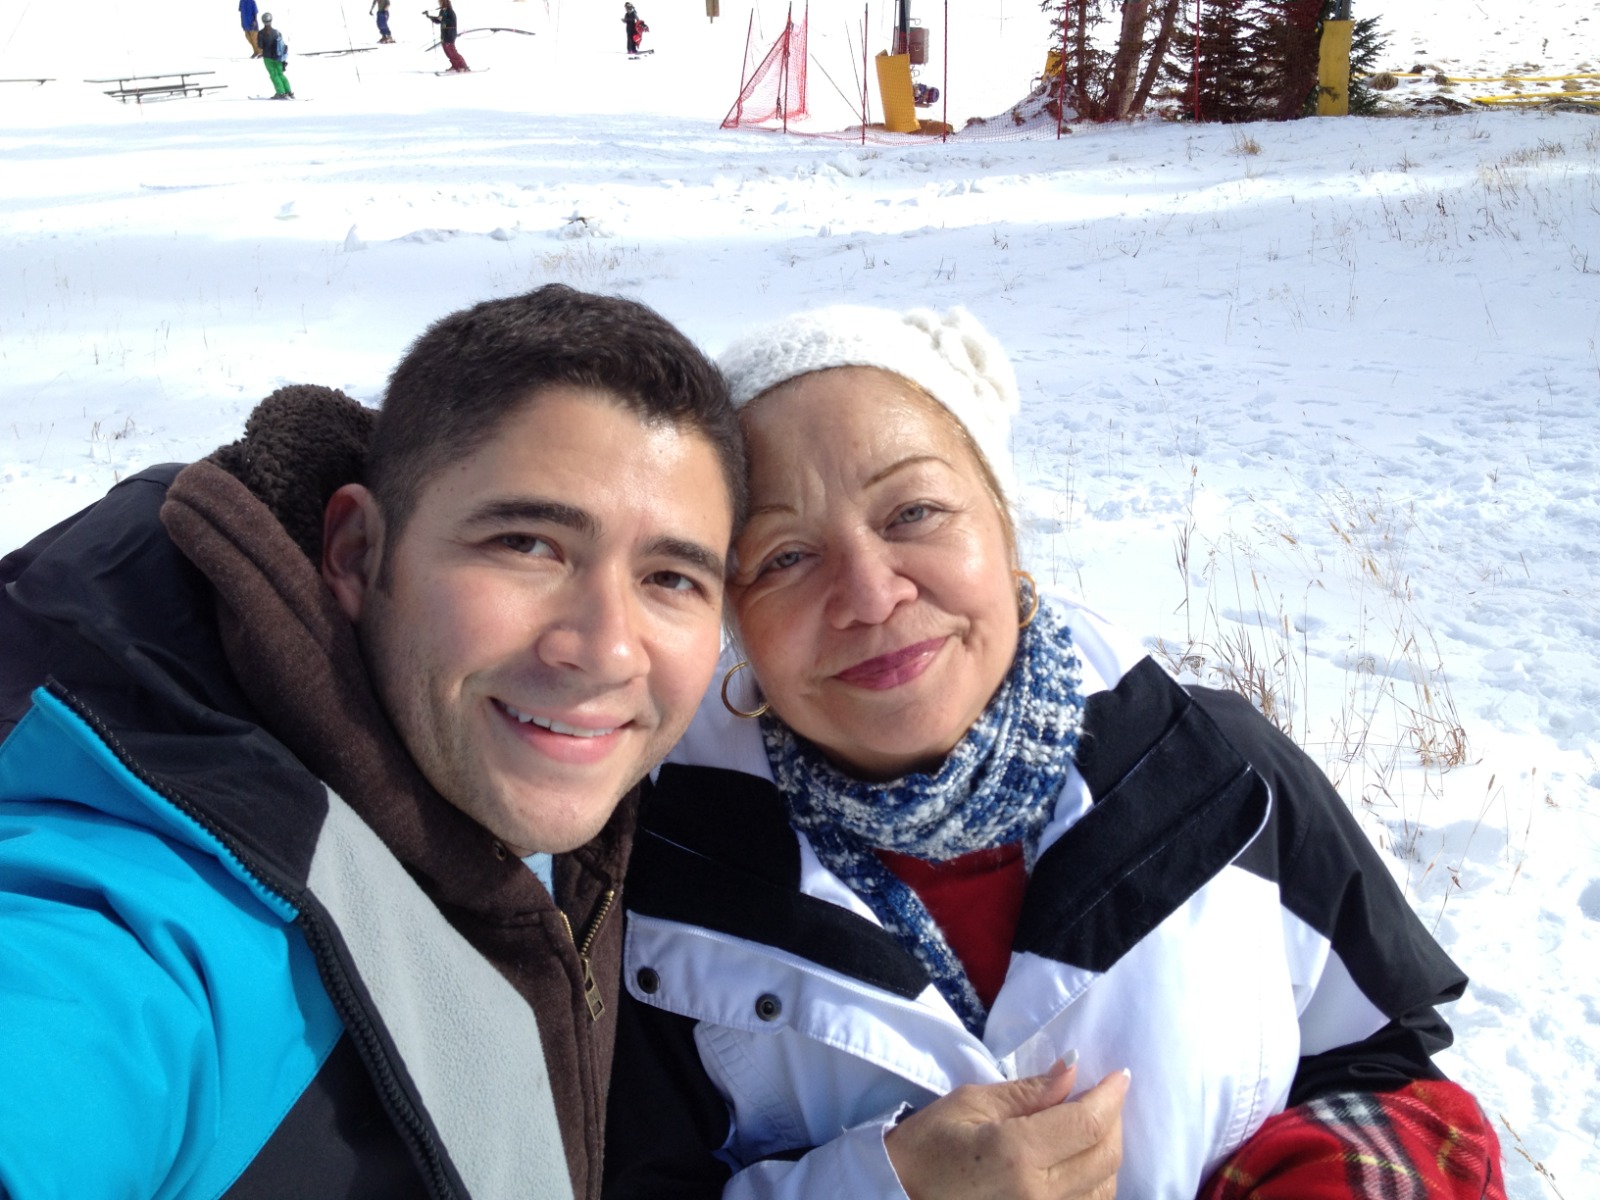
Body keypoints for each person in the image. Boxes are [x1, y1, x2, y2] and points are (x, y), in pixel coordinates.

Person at [602, 305, 1507, 1200]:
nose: (871, 595)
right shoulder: (655, 876)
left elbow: (1384, 1063)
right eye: (785, 557)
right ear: (732, 614)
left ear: (1002, 527)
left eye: (914, 511)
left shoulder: (1221, 772)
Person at [0, 285, 744, 1199]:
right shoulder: (153, 930)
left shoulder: (579, 808)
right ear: (355, 553)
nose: (608, 650)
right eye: (527, 544)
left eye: (671, 577)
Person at [425, 0, 470, 72]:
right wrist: (429, 16)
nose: (440, 4)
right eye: (440, 2)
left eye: (441, 2)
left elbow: (452, 22)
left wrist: (443, 19)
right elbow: (438, 21)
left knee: (452, 51)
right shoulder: (442, 11)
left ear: (446, 2)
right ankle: (455, 66)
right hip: (444, 34)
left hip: (450, 34)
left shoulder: (450, 12)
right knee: (448, 52)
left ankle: (463, 66)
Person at [257, 12, 292, 99]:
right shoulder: (277, 32)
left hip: (268, 57)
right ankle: (288, 91)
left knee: (274, 75)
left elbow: (260, 46)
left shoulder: (261, 33)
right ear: (271, 20)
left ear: (263, 21)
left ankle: (280, 92)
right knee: (280, 74)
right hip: (278, 57)